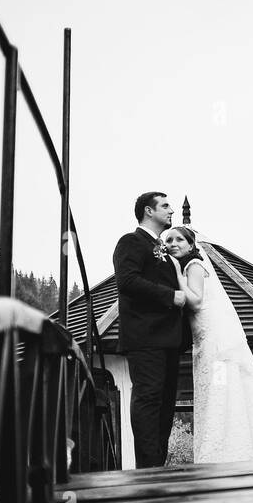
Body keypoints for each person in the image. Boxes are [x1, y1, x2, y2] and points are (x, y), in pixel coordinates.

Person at [161, 225, 253, 463]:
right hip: (206, 338)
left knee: (217, 388)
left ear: (191, 245)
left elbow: (195, 300)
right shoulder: (190, 266)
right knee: (215, 388)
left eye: (179, 239)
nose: (173, 243)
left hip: (214, 339)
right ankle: (227, 445)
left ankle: (220, 451)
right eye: (168, 240)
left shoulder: (193, 266)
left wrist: (177, 275)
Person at [112, 192, 190, 468]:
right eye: (165, 206)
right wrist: (171, 296)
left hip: (169, 341)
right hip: (145, 339)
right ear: (148, 211)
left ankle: (159, 465)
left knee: (166, 405)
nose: (171, 211)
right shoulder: (131, 242)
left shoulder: (163, 251)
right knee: (148, 400)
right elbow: (128, 281)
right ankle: (148, 470)